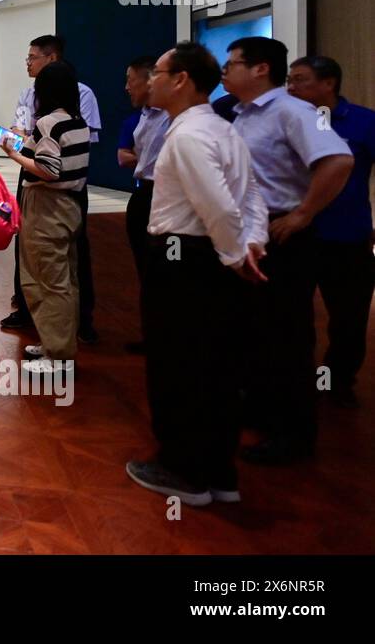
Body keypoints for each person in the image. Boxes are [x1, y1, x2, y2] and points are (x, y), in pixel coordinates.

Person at [126, 41, 268, 507]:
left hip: (183, 261)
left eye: (158, 73)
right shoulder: (223, 130)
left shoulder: (187, 136)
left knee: (177, 366)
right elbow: (251, 198)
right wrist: (250, 245)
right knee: (217, 369)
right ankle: (218, 473)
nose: (150, 81)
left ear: (181, 79)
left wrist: (232, 255)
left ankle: (183, 470)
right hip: (211, 259)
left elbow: (219, 205)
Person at [222, 37, 353, 464]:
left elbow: (338, 160)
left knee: (287, 337)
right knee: (253, 330)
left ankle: (294, 436)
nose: (226, 71)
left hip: (284, 237)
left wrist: (302, 214)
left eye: (233, 63)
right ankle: (262, 413)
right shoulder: (242, 115)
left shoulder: (295, 111)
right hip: (251, 235)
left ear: (260, 69)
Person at [287, 56, 375, 409]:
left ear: (329, 84)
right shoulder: (285, 120)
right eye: (289, 80)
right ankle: (294, 383)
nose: (291, 87)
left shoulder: (364, 122)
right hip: (293, 234)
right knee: (291, 317)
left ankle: (334, 382)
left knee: (349, 319)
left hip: (347, 237)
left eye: (300, 80)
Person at [3, 35, 101, 344]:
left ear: (52, 59)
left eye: (33, 58)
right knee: (51, 266)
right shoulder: (64, 116)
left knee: (56, 269)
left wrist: (15, 153)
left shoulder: (55, 118)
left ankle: (62, 344)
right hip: (51, 189)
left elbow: (49, 167)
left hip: (53, 193)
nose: (28, 63)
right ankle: (49, 330)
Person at [117, 56, 168, 355]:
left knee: (165, 268)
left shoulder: (177, 118)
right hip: (144, 194)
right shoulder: (144, 117)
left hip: (166, 196)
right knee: (146, 268)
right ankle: (154, 334)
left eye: (130, 79)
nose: (126, 87)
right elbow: (125, 155)